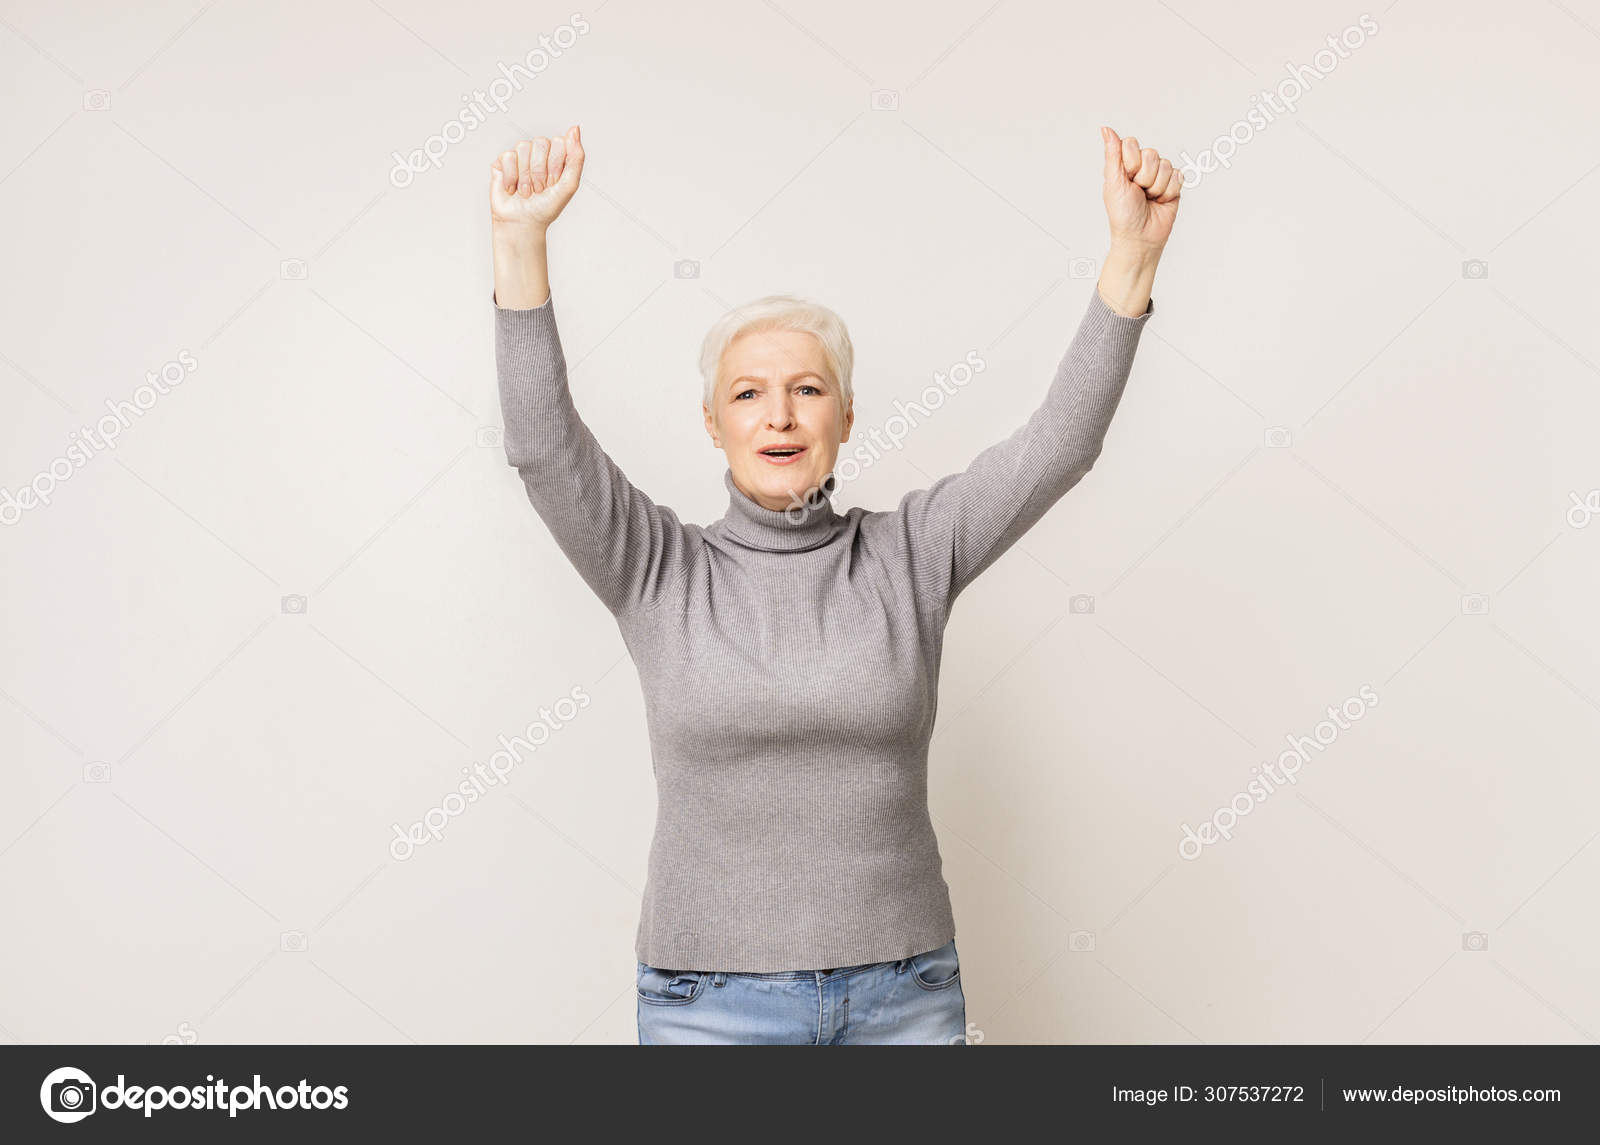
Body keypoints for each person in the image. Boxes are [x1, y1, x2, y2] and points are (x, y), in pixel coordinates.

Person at [488, 123, 1179, 1044]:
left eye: (808, 390)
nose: (779, 414)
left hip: (904, 997)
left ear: (845, 416)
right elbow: (543, 450)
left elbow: (1059, 446)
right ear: (712, 422)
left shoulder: (910, 555)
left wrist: (1132, 255)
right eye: (748, 393)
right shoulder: (657, 568)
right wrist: (520, 243)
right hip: (709, 1006)